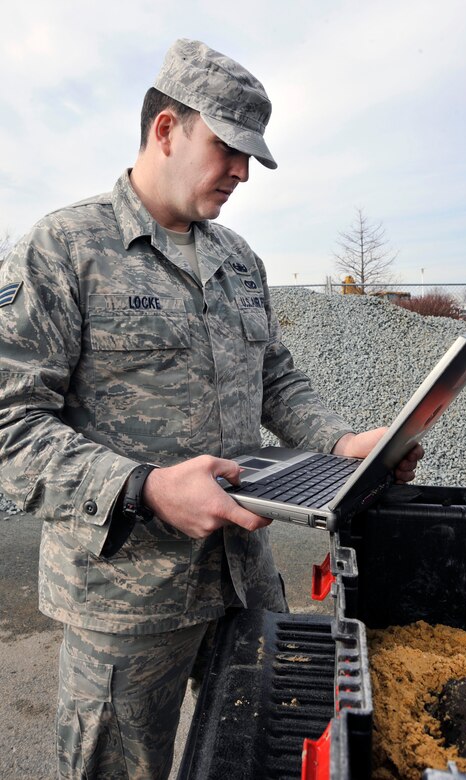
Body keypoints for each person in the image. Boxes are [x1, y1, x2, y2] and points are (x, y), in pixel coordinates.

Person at [0, 39, 423, 780]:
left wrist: (340, 442)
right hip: (127, 599)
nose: (241, 172)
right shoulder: (63, 250)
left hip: (243, 573)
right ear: (166, 129)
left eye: (250, 157)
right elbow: (11, 426)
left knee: (255, 757)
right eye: (228, 147)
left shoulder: (237, 258)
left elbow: (276, 380)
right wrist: (146, 488)